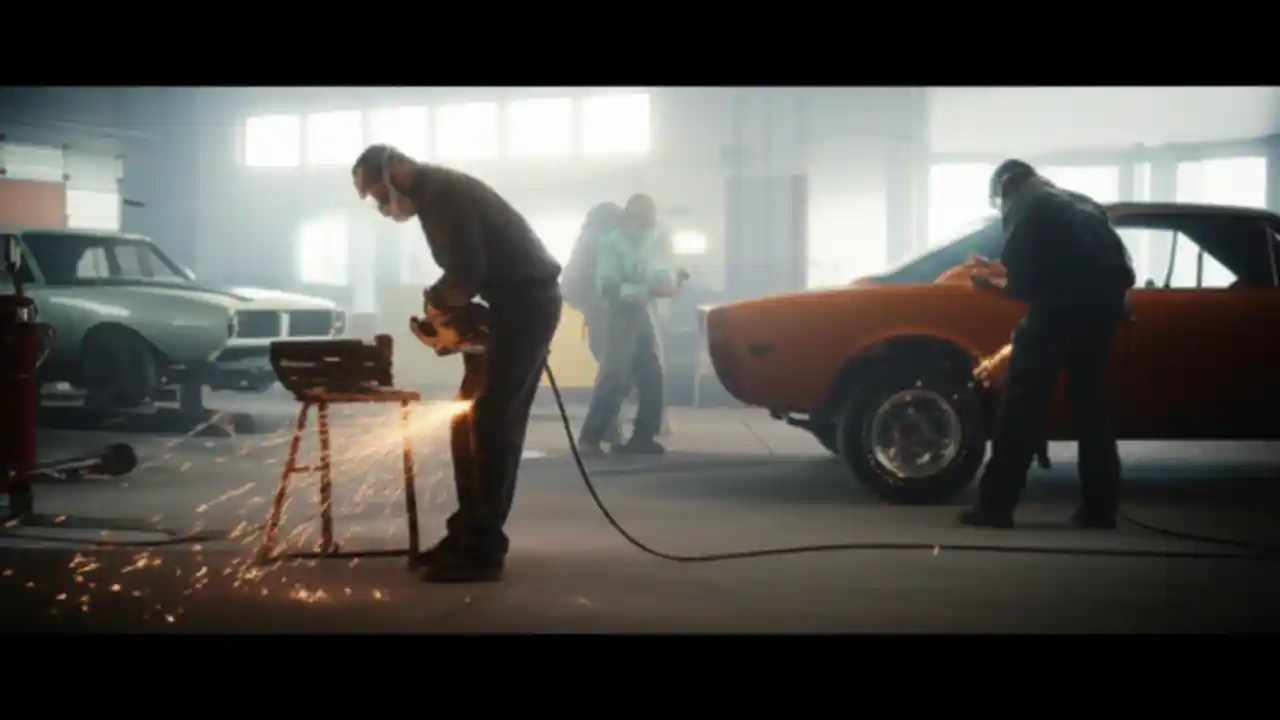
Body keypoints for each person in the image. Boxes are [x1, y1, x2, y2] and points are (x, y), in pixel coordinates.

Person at [352, 144, 562, 582]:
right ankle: (465, 535)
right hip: (509, 305)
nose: (380, 206)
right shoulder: (436, 194)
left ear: (395, 173)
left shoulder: (443, 195)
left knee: (491, 425)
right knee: (466, 422)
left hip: (526, 305)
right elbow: (473, 275)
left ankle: (483, 552)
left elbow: (466, 274)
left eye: (377, 194)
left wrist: (436, 303)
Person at [960, 159, 1135, 530]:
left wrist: (984, 282)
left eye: (997, 202)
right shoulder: (1082, 202)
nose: (1001, 209)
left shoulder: (1029, 204)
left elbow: (1022, 284)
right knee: (1091, 404)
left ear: (1006, 186)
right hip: (1104, 308)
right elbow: (1109, 263)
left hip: (1060, 307)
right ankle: (1101, 507)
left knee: (1022, 402)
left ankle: (996, 506)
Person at [577, 194, 679, 455]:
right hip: (617, 313)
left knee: (652, 374)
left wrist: (667, 280)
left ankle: (643, 436)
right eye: (642, 222)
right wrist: (644, 288)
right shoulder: (610, 244)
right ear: (629, 220)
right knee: (615, 374)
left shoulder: (649, 239)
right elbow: (608, 286)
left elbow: (658, 268)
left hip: (640, 311)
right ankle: (591, 436)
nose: (646, 227)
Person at [561, 203, 626, 445]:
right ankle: (597, 431)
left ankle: (608, 428)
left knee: (611, 372)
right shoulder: (602, 241)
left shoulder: (587, 239)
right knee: (614, 373)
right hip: (607, 314)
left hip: (597, 313)